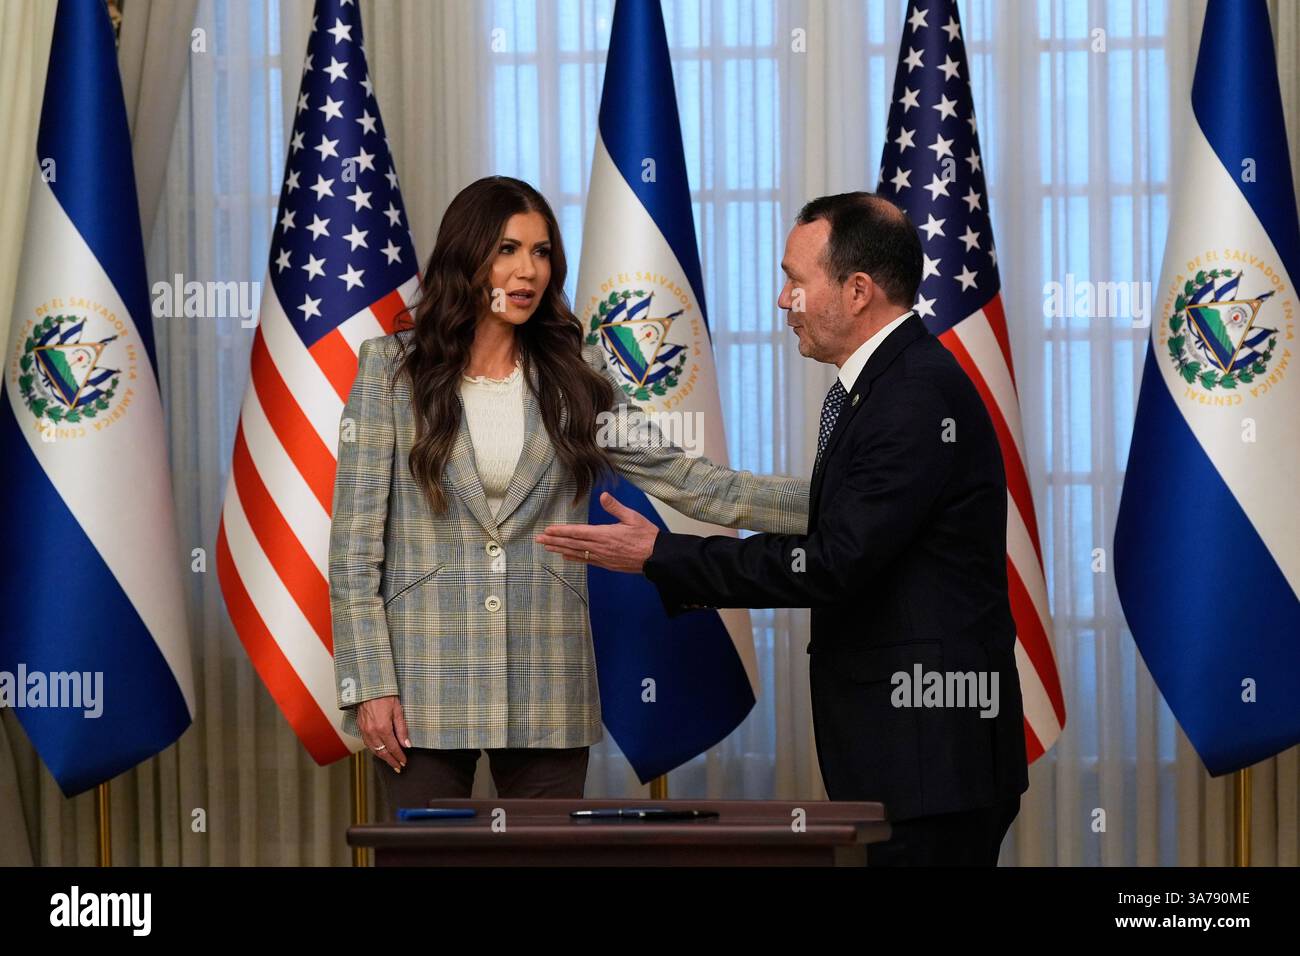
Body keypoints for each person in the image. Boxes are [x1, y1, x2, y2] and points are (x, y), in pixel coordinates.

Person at [538, 192, 1028, 865]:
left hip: (929, 760)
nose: (782, 300)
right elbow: (840, 525)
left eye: (796, 281)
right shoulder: (887, 385)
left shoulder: (911, 396)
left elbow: (831, 562)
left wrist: (663, 554)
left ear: (857, 291)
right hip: (916, 756)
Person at [328, 176, 808, 812]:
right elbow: (354, 552)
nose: (528, 271)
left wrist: (839, 499)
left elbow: (693, 481)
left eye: (542, 251)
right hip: (422, 683)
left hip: (548, 681)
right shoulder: (389, 371)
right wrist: (369, 684)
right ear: (466, 255)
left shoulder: (575, 373)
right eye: (507, 249)